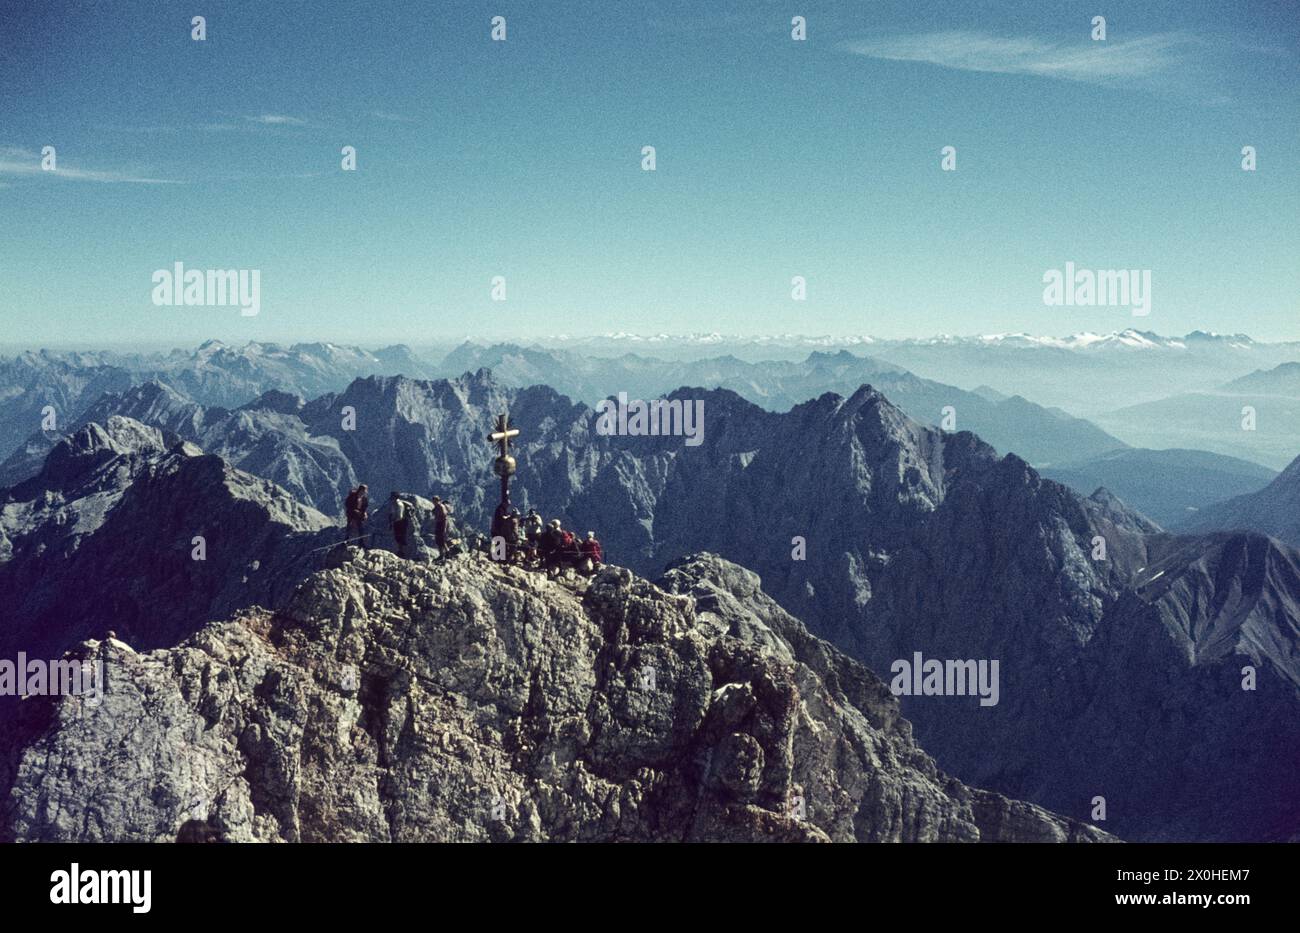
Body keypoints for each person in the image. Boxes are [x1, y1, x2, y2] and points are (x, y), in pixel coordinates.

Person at [389, 491, 411, 559]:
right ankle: (400, 551)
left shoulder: (399, 504)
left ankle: (402, 552)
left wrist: (393, 521)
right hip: (398, 522)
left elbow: (400, 516)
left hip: (401, 522)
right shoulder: (394, 503)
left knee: (400, 537)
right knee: (398, 537)